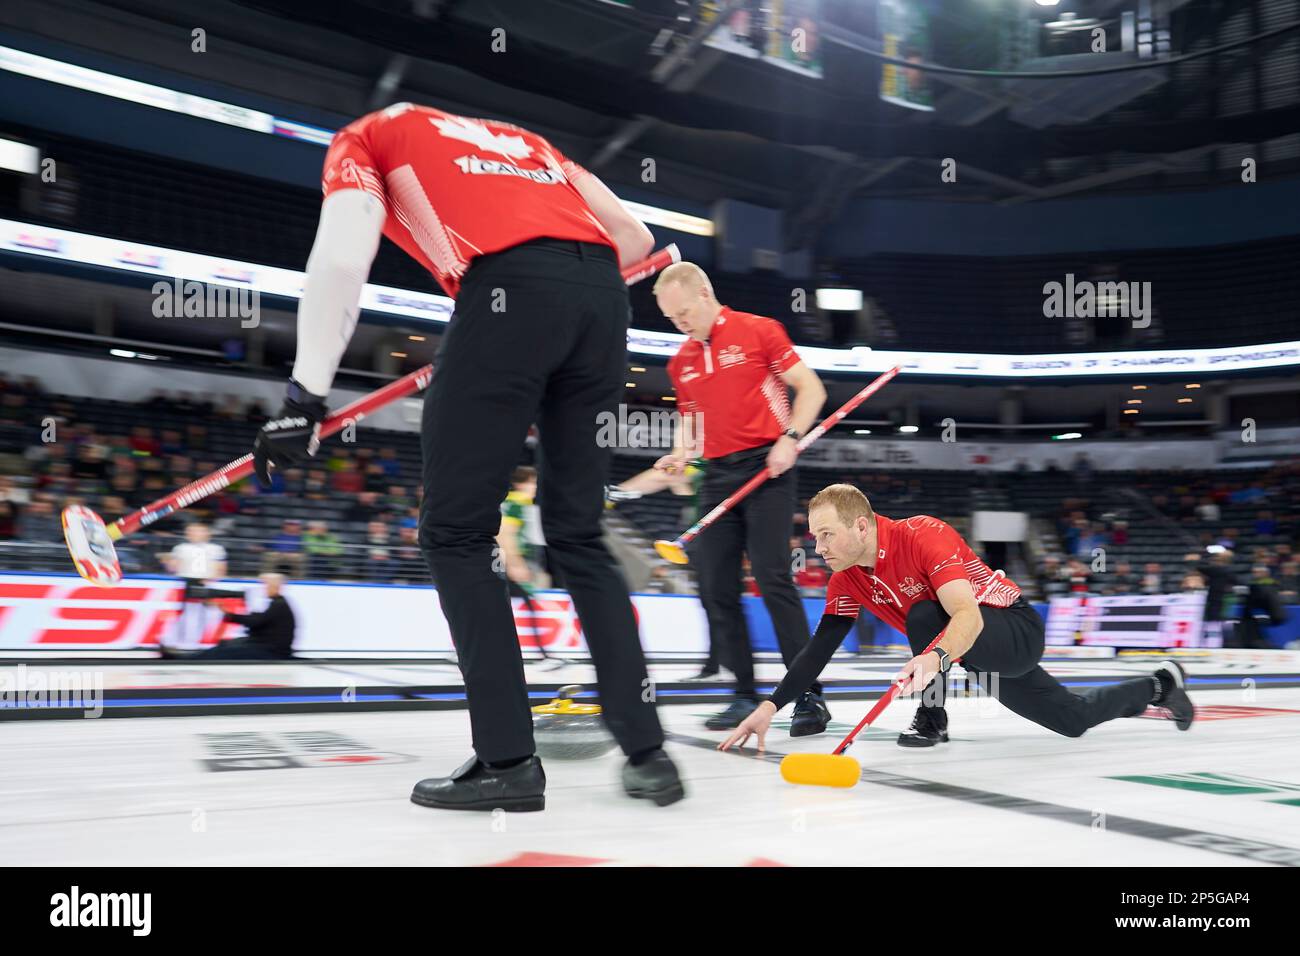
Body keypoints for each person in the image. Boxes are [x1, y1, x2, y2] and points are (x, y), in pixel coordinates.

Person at [250, 101, 683, 811]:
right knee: (577, 533)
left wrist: (305, 399)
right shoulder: (525, 136)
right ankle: (649, 754)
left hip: (506, 288)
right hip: (603, 302)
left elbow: (340, 260)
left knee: (456, 531)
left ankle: (508, 760)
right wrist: (560, 300)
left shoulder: (367, 136)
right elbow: (632, 237)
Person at [720, 484, 1194, 753]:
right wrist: (770, 707)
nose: (817, 549)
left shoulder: (923, 535)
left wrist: (935, 660)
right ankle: (1159, 684)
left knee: (926, 613)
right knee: (1071, 720)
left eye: (826, 535)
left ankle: (932, 715)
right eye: (814, 537)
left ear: (860, 526)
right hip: (966, 651)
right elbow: (818, 648)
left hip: (1010, 629)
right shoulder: (846, 579)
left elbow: (966, 615)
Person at [652, 261, 831, 734]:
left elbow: (811, 388)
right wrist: (678, 454)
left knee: (774, 578)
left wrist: (790, 437)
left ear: (706, 293)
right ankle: (742, 694)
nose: (682, 324)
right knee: (715, 588)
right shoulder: (681, 362)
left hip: (766, 469)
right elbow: (692, 425)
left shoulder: (759, 331)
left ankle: (808, 695)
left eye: (685, 312)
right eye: (673, 319)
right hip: (716, 477)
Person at [159, 574, 296, 660]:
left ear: (277, 587)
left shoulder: (279, 605)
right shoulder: (278, 604)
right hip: (265, 646)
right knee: (226, 645)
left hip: (271, 652)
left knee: (226, 650)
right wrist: (228, 613)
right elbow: (259, 621)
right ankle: (188, 657)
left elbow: (254, 621)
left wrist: (227, 613)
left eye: (267, 585)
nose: (265, 587)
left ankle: (183, 659)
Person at [158, 522, 228, 650]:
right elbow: (173, 568)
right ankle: (186, 642)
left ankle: (208, 641)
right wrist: (167, 561)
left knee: (210, 613)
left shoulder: (216, 549)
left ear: (207, 533)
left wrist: (211, 580)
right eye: (190, 531)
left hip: (207, 582)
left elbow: (221, 569)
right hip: (188, 581)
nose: (193, 534)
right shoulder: (181, 548)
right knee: (190, 613)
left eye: (197, 531)